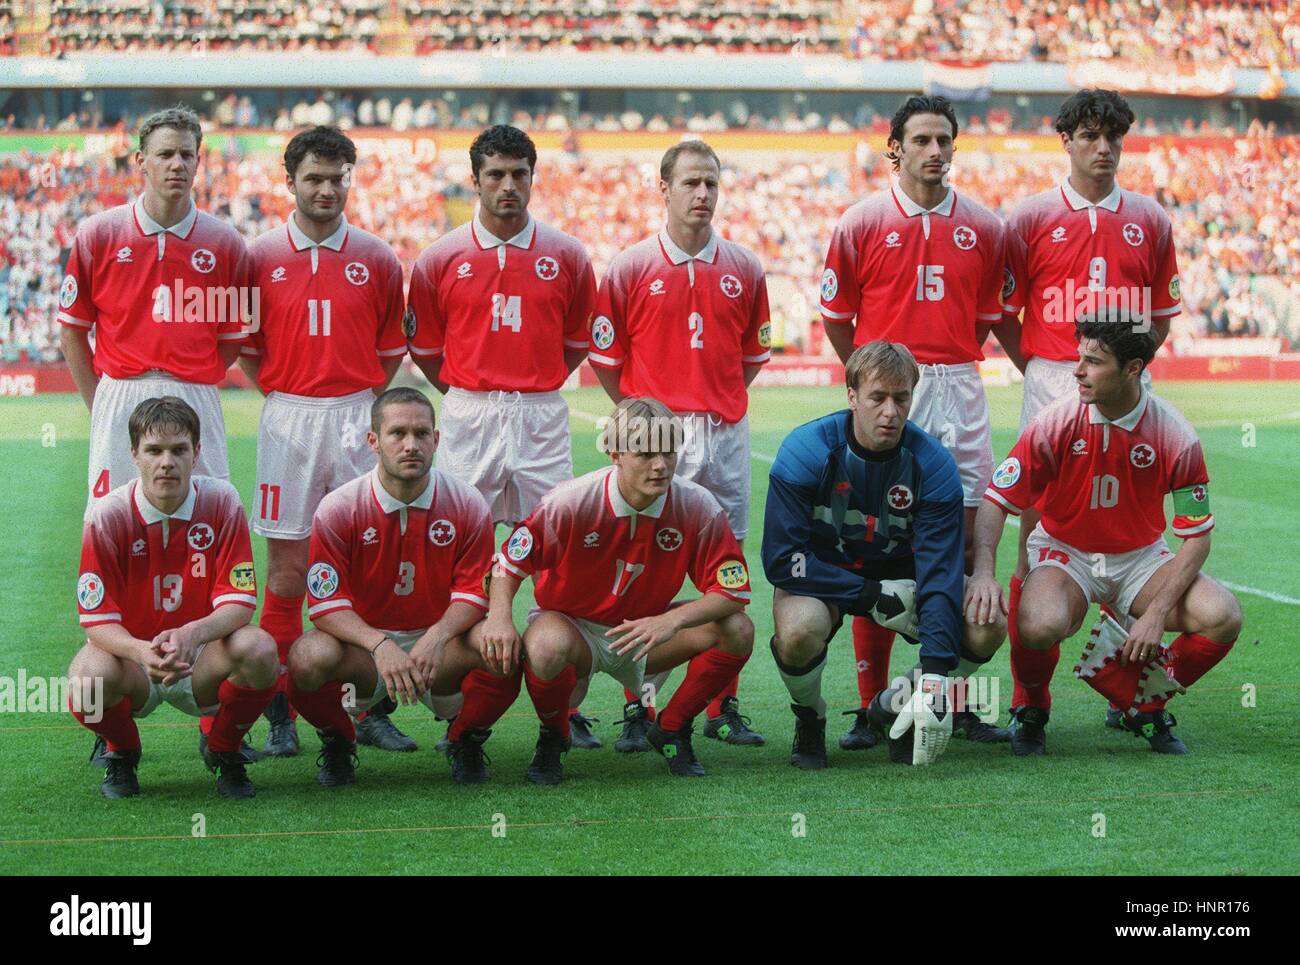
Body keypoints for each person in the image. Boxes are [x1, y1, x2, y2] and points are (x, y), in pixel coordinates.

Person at [819, 95, 1009, 749]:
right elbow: (837, 318)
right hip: (890, 391)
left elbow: (987, 316)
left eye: (944, 140)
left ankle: (940, 694)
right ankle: (872, 704)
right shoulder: (860, 222)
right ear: (895, 147)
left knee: (957, 543)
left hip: (958, 387)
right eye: (922, 139)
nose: (935, 151)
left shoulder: (984, 227)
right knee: (880, 544)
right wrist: (876, 385)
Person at [998, 89, 1182, 737]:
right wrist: (1042, 372)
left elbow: (1160, 315)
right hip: (1052, 377)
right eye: (1089, 135)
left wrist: (1125, 375)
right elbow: (1001, 310)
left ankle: (1136, 696)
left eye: (1113, 136)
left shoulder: (1152, 220)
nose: (1103, 148)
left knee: (1136, 527)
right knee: (1035, 540)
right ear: (1067, 141)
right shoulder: (1028, 217)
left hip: (1130, 390)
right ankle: (1031, 700)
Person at [969, 315, 1240, 755]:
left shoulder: (1175, 433)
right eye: (1080, 358)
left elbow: (1198, 537)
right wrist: (984, 571)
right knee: (1040, 623)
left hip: (1142, 559)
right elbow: (997, 499)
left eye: (1093, 362)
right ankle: (1032, 706)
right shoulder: (1055, 421)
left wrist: (1155, 616)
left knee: (1223, 615)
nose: (1077, 371)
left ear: (1132, 369)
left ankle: (1139, 698)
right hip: (1066, 553)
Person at [405, 125, 596, 745]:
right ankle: (457, 697)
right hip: (469, 411)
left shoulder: (567, 255)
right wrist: (470, 391)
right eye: (496, 174)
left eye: (519, 173)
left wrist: (531, 385)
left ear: (533, 177)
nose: (508, 186)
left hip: (541, 411)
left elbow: (574, 346)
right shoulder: (439, 258)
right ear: (476, 179)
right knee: (460, 543)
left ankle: (562, 699)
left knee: (558, 546)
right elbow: (429, 351)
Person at [585, 139, 770, 751]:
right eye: (691, 183)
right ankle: (641, 702)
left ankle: (722, 703)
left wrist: (713, 403)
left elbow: (750, 357)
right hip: (659, 434)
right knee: (651, 567)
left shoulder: (745, 267)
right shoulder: (631, 266)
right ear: (663, 189)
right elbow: (608, 363)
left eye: (712, 183)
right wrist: (648, 420)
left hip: (724, 432)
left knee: (728, 566)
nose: (703, 194)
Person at [239, 126, 411, 758]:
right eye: (314, 177)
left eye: (338, 178)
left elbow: (390, 352)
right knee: (286, 570)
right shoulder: (255, 257)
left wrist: (355, 400)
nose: (327, 189)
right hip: (288, 418)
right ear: (290, 182)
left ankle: (366, 708)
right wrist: (292, 396)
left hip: (357, 416)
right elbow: (248, 353)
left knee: (365, 568)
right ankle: (281, 705)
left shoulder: (378, 257)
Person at [483, 397, 756, 784]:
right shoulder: (569, 502)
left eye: (667, 451)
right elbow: (509, 564)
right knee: (544, 646)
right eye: (644, 453)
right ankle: (554, 734)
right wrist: (499, 617)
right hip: (575, 632)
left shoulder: (697, 506)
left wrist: (672, 620)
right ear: (615, 453)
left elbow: (733, 590)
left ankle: (673, 729)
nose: (660, 465)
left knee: (738, 630)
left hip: (647, 635)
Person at [762, 342, 1008, 769]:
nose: (890, 412)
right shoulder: (806, 450)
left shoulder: (933, 465)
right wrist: (871, 595)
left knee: (987, 624)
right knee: (799, 629)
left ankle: (894, 706)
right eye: (877, 398)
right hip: (828, 574)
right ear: (852, 396)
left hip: (907, 575)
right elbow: (783, 560)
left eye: (901, 398)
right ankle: (809, 716)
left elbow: (940, 571)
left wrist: (933, 677)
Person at [287, 388, 521, 786]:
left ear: (437, 440)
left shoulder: (467, 503)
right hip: (365, 651)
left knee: (502, 649)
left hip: (440, 650)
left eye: (421, 433)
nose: (411, 444)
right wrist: (379, 645)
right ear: (373, 441)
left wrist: (438, 635)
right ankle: (340, 739)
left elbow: (474, 592)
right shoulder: (340, 508)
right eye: (397, 433)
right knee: (306, 656)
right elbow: (325, 603)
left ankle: (465, 737)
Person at [68, 397, 278, 799]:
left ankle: (224, 750)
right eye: (154, 450)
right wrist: (139, 649)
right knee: (87, 680)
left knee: (260, 648)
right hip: (134, 664)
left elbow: (240, 601)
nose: (167, 462)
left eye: (179, 450)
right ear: (134, 455)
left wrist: (192, 634)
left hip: (201, 661)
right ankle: (122, 752)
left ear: (197, 453)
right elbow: (95, 618)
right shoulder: (107, 514)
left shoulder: (222, 501)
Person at [58, 105, 252, 519]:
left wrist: (192, 373)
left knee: (207, 516)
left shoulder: (226, 243)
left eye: (186, 155)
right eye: (165, 155)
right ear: (141, 161)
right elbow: (73, 330)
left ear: (199, 161)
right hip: (121, 392)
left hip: (195, 392)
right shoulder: (99, 234)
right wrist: (101, 402)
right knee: (111, 520)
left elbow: (234, 338)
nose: (176, 164)